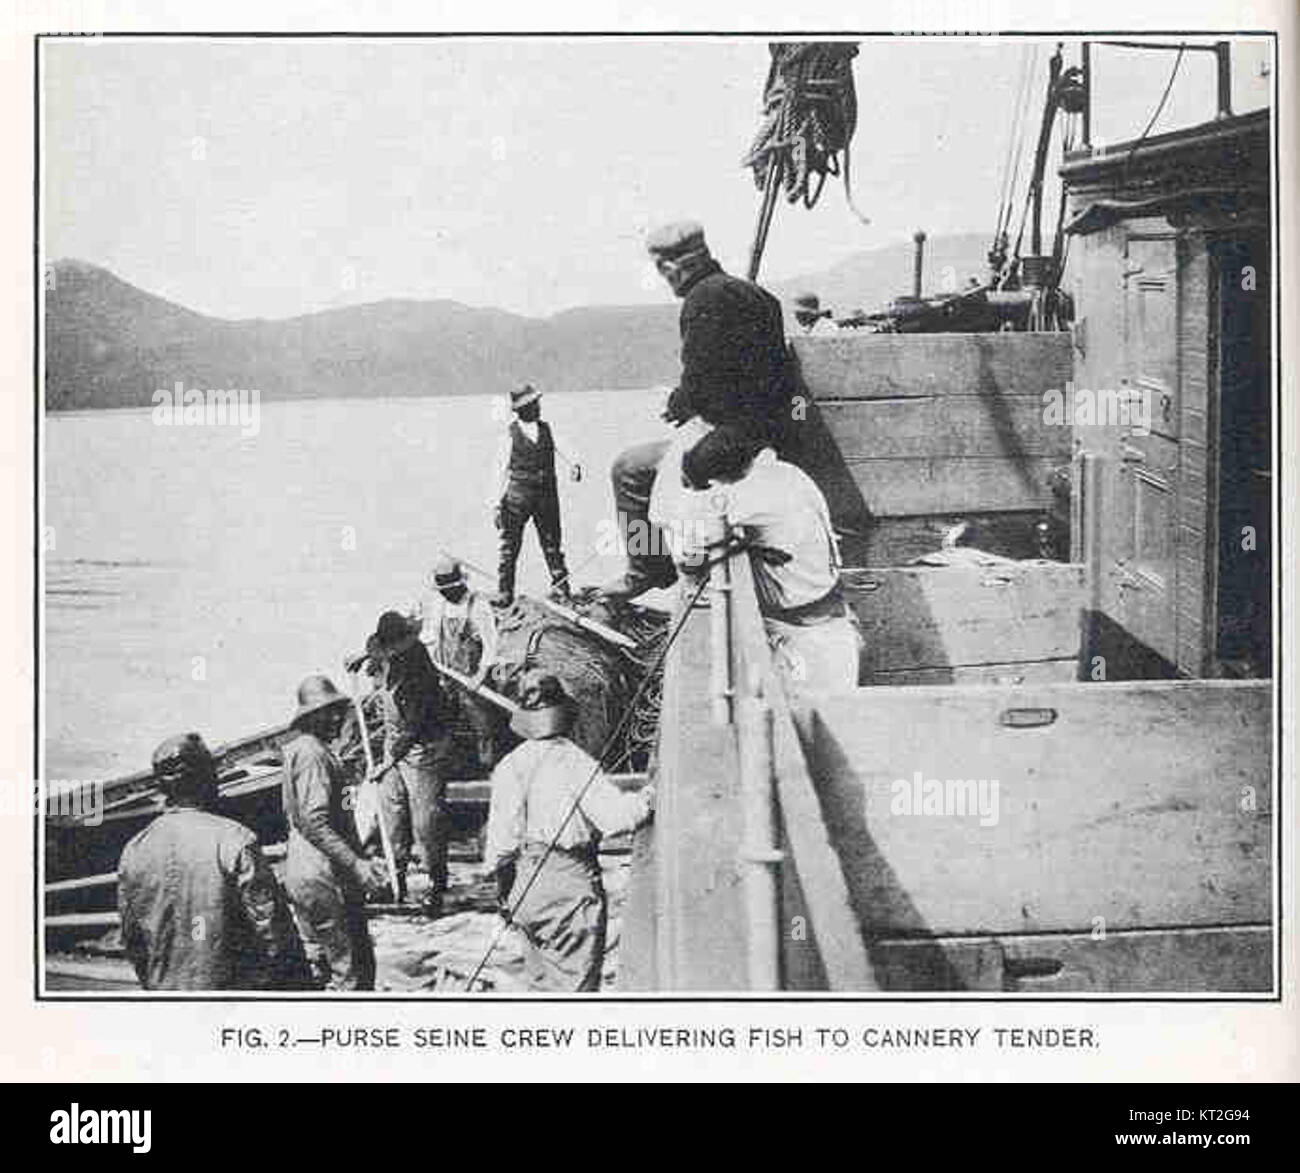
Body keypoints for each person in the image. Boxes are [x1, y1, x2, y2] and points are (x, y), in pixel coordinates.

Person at [601, 220, 797, 601]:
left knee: (629, 469)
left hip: (737, 438)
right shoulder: (758, 295)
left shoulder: (701, 301)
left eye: (662, 271)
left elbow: (704, 384)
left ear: (672, 267)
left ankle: (646, 569)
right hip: (772, 428)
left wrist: (678, 403)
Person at [652, 429, 861, 691]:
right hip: (825, 615)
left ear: (722, 479)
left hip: (809, 637)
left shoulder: (750, 496)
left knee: (814, 715)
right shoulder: (786, 473)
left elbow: (684, 546)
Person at [484, 671, 654, 991]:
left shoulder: (509, 765)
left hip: (525, 885)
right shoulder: (574, 762)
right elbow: (616, 817)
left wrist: (506, 897)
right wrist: (648, 797)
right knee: (575, 992)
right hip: (569, 884)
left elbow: (501, 845)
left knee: (540, 987)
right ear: (565, 714)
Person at [118, 733, 310, 991]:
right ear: (205, 778)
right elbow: (272, 928)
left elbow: (133, 940)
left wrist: (155, 983)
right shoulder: (234, 838)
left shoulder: (134, 849)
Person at [282, 675, 388, 990]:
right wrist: (356, 865)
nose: (338, 717)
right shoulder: (313, 754)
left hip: (306, 870)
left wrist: (360, 854)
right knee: (352, 971)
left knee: (324, 965)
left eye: (338, 710)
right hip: (324, 875)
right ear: (312, 716)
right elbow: (314, 821)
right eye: (330, 711)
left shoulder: (303, 751)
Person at [368, 610, 455, 916]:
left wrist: (387, 760)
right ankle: (396, 876)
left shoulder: (419, 674)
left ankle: (436, 882)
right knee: (391, 810)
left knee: (425, 820)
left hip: (425, 748)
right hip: (397, 746)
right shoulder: (391, 658)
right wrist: (363, 661)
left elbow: (415, 724)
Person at [490, 383, 580, 606]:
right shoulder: (509, 435)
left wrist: (575, 464)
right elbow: (499, 469)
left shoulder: (547, 429)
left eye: (537, 403)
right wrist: (494, 504)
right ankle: (504, 592)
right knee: (509, 546)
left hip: (546, 495)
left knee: (552, 543)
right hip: (517, 497)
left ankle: (561, 587)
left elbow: (566, 448)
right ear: (522, 409)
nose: (538, 407)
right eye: (533, 404)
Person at [415, 555, 504, 769]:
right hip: (447, 677)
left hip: (473, 679)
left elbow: (492, 646)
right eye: (441, 590)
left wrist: (479, 677)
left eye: (448, 589)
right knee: (444, 724)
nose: (445, 593)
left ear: (459, 585)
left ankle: (489, 767)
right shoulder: (439, 605)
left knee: (483, 726)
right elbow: (430, 637)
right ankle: (452, 767)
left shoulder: (478, 605)